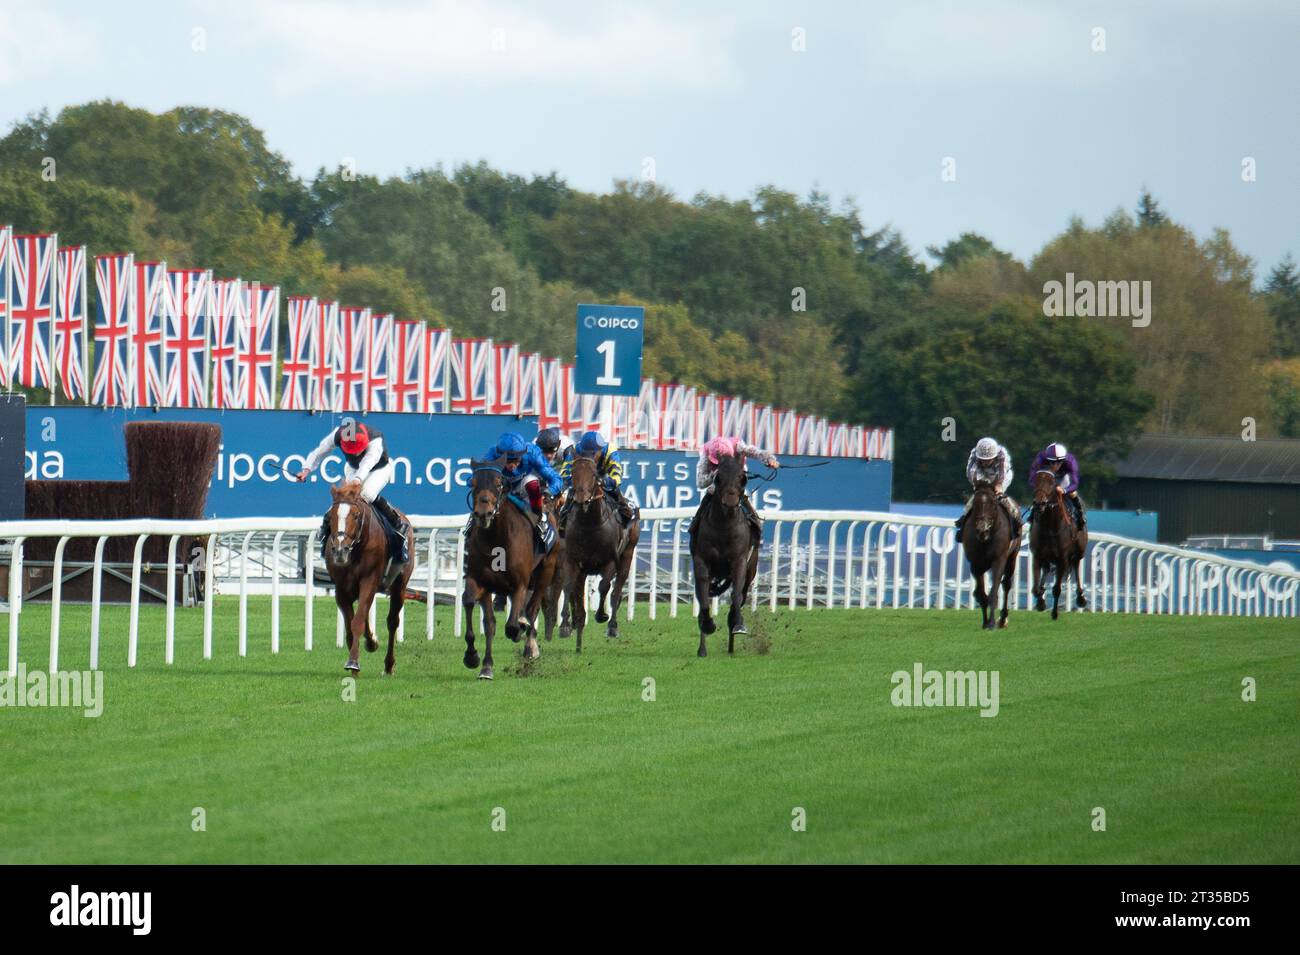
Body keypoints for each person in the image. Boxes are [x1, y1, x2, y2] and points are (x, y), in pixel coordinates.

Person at [295, 422, 408, 562]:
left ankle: (397, 522)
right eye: (351, 450)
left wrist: (358, 480)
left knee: (367, 494)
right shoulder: (338, 435)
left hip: (379, 469)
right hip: (352, 468)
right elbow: (319, 452)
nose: (355, 453)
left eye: (358, 449)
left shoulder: (375, 440)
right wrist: (306, 469)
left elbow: (367, 463)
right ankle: (325, 530)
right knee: (344, 499)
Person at [473, 431, 562, 548]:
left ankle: (541, 521)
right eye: (507, 460)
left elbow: (556, 479)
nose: (512, 465)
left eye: (516, 460)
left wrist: (549, 491)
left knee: (532, 481)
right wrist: (474, 481)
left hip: (523, 486)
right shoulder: (492, 453)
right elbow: (474, 477)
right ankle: (472, 525)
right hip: (500, 488)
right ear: (500, 455)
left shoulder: (533, 452)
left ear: (523, 454)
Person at [689, 435, 779, 543]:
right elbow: (700, 483)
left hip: (736, 478)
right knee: (710, 493)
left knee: (741, 496)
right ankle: (695, 525)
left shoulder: (738, 446)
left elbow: (756, 452)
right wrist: (713, 475)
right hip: (718, 483)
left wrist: (769, 459)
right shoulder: (705, 451)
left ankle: (756, 527)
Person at [559, 430, 636, 524]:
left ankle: (625, 514)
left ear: (599, 451)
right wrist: (577, 482)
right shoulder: (574, 451)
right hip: (582, 482)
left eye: (591, 454)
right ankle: (562, 520)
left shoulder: (610, 450)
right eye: (585, 454)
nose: (588, 457)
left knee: (615, 491)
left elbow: (617, 477)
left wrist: (603, 481)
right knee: (569, 497)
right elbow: (564, 475)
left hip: (602, 478)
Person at [954, 436, 1022, 542]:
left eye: (988, 460)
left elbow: (1002, 473)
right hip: (983, 475)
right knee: (978, 497)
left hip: (1002, 475)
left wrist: (998, 486)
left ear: (994, 456)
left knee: (999, 495)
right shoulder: (974, 454)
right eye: (983, 460)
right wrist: (978, 485)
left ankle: (1015, 518)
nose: (985, 462)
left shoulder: (1002, 454)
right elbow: (970, 472)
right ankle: (964, 520)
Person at [1028, 442, 1086, 527]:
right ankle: (1033, 514)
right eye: (1052, 462)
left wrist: (1064, 490)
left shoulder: (1071, 461)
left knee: (1072, 492)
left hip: (1063, 476)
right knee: (1040, 492)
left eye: (1059, 462)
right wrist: (1039, 488)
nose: (1056, 465)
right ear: (1047, 459)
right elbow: (1032, 478)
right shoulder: (1040, 458)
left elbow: (1075, 483)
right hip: (1046, 476)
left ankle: (1080, 514)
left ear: (1064, 459)